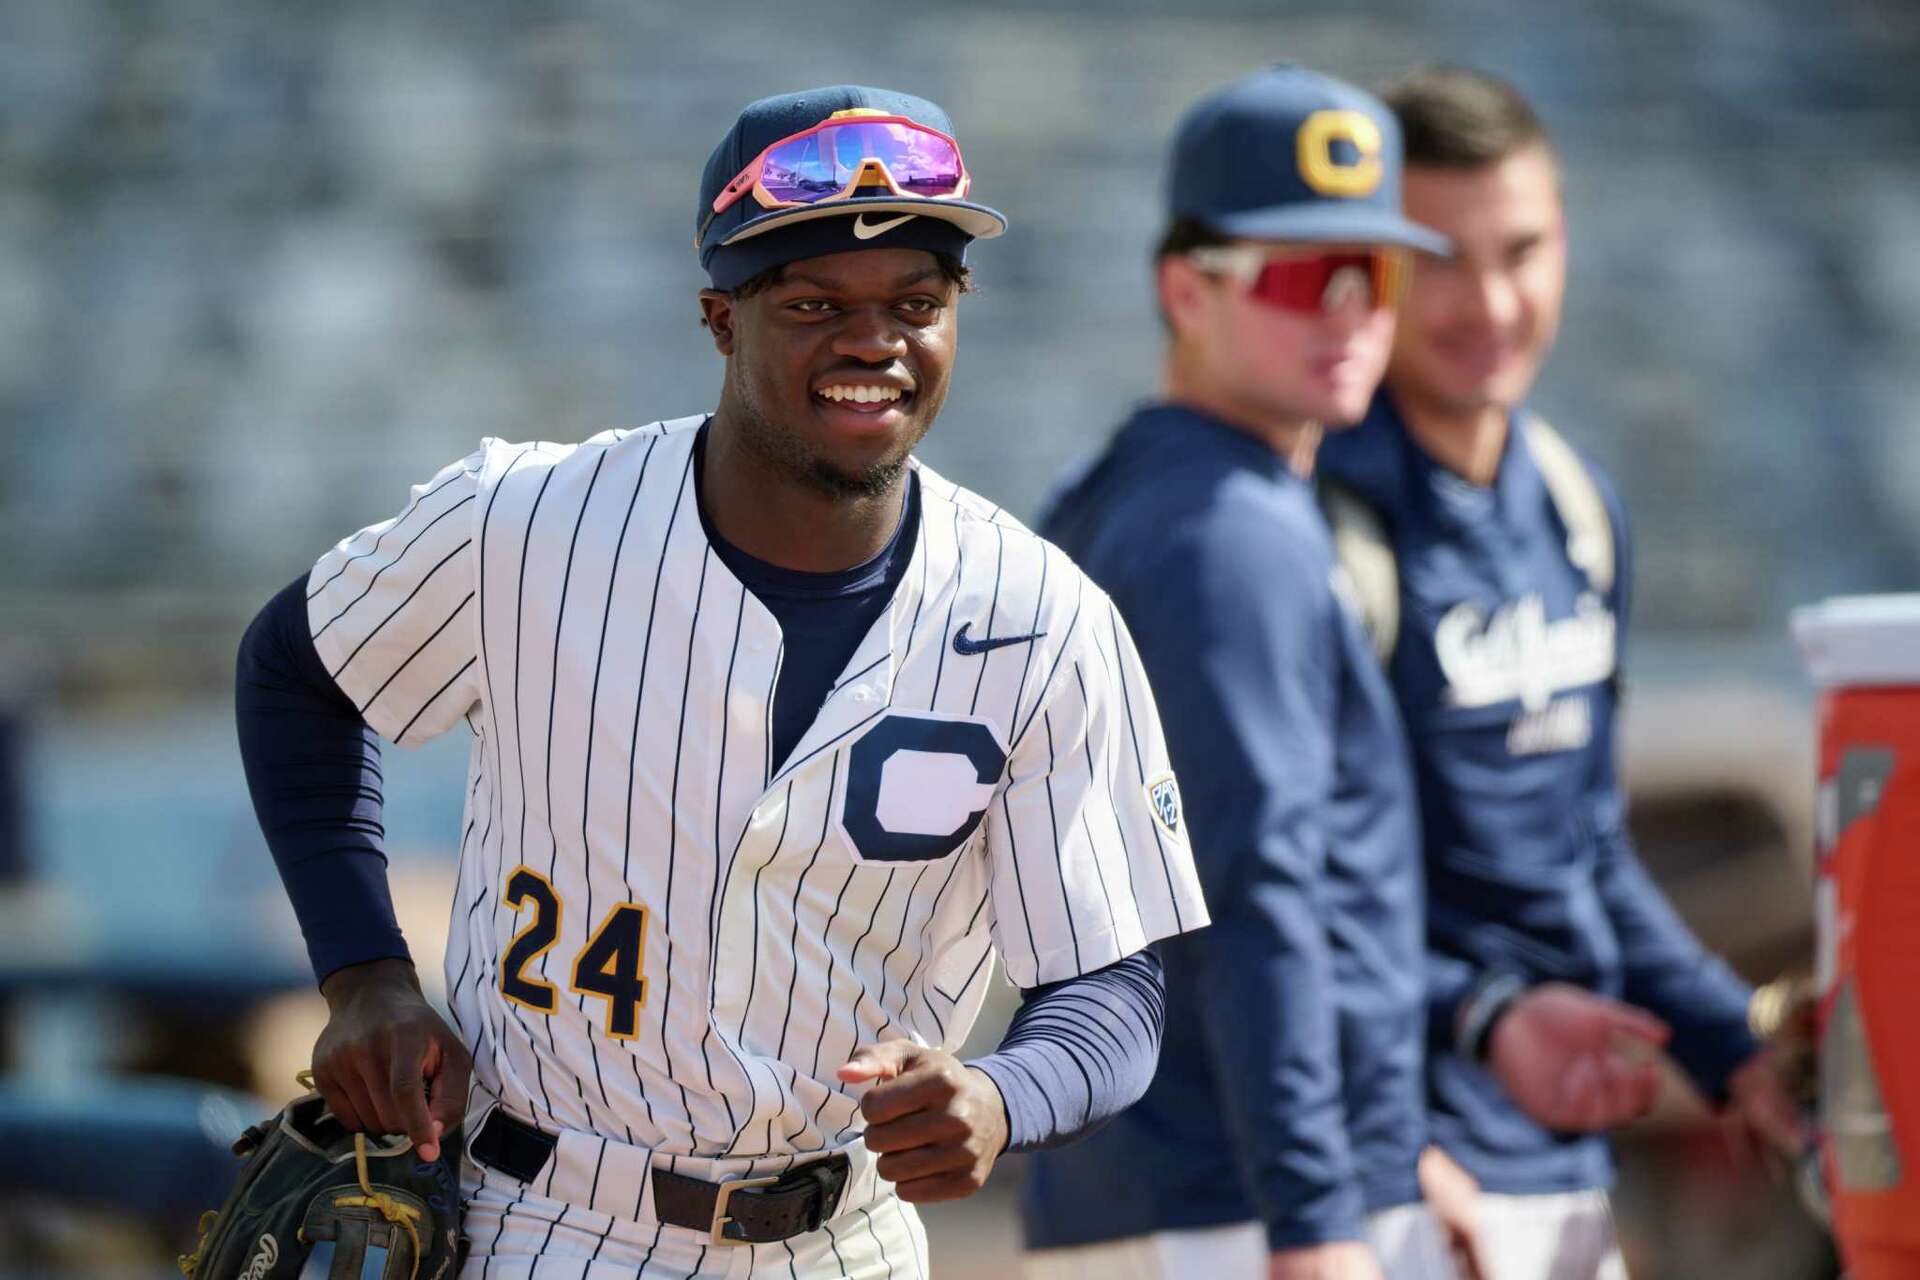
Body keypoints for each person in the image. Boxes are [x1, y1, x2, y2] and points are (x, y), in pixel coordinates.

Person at [235, 84, 1208, 1279]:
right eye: (813, 303)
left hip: (843, 1239)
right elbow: (297, 666)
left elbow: (1111, 981)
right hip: (536, 1216)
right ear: (720, 319)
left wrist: (1007, 1093)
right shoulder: (524, 523)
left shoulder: (1045, 618)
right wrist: (364, 969)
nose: (873, 341)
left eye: (918, 301)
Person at [1315, 65, 1806, 1280]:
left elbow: (1580, 853)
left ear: (1566, 245)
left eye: (1522, 249)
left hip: (1564, 1175)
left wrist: (1737, 1045)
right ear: (1370, 267)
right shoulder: (1307, 530)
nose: (1490, 300)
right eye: (1440, 257)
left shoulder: (1581, 509)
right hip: (1390, 1190)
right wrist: (1473, 1033)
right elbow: (1267, 903)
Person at [1018, 65, 1459, 1280]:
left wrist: (1397, 1151)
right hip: (1233, 1205)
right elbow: (1253, 892)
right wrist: (1320, 1214)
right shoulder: (1230, 531)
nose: (1352, 312)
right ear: (1184, 288)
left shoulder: (1139, 493)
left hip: (1173, 1183)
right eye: (1304, 273)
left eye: (1378, 274)